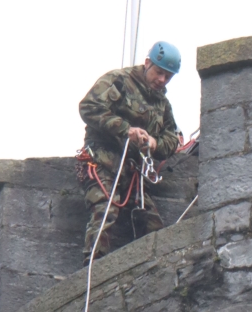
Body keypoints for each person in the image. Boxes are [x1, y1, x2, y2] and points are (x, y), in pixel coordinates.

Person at [78, 41, 182, 262]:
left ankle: (156, 270)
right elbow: (89, 107)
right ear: (147, 64)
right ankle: (92, 268)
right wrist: (126, 130)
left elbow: (172, 138)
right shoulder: (118, 80)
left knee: (152, 222)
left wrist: (154, 143)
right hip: (102, 160)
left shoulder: (163, 104)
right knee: (106, 209)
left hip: (133, 172)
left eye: (168, 76)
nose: (162, 80)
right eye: (159, 72)